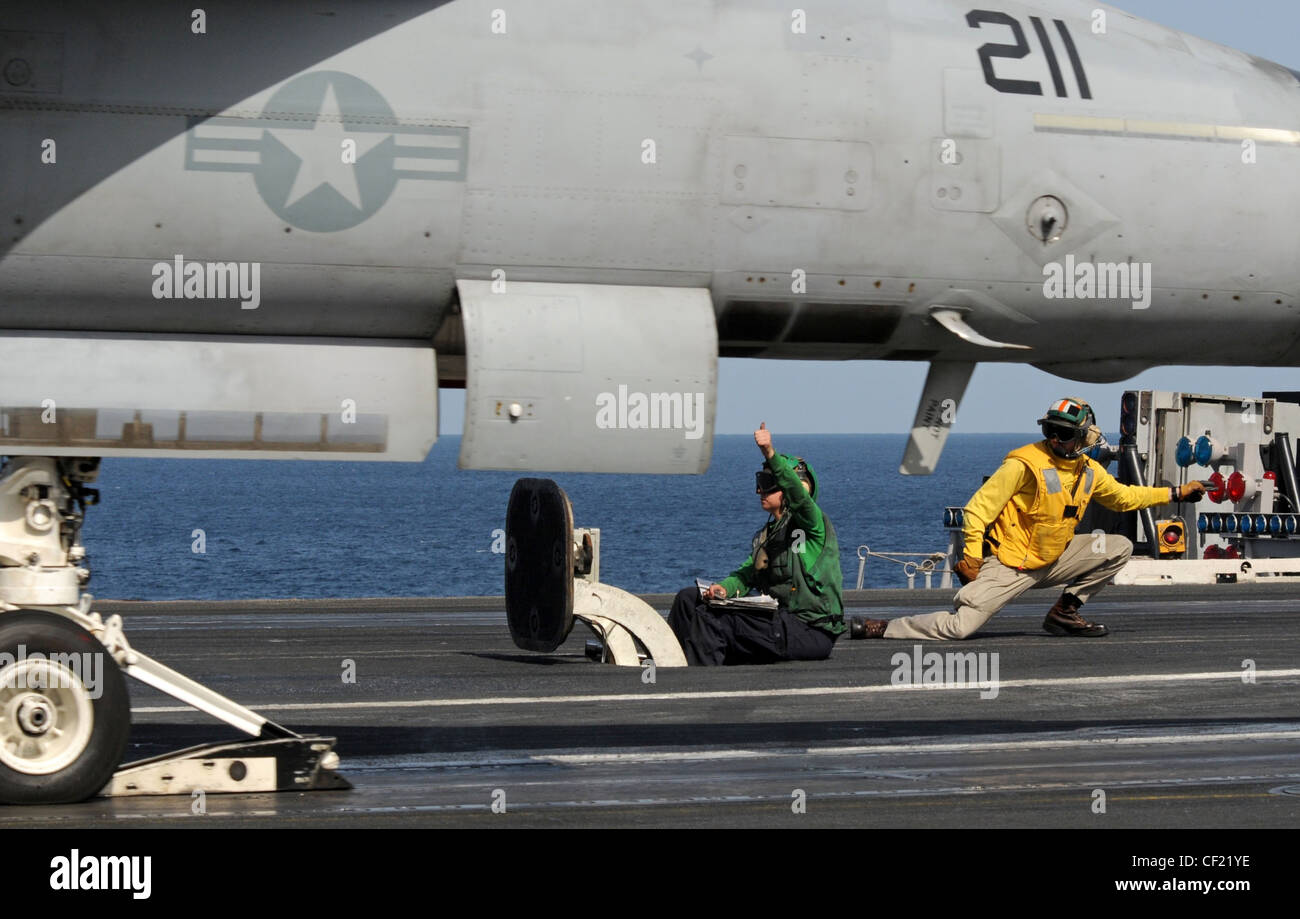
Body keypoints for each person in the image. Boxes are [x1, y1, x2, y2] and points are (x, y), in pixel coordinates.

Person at [850, 398, 1206, 641]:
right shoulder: (1023, 464)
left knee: (1117, 547)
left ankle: (1065, 613)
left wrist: (1175, 493)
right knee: (960, 628)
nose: (1054, 438)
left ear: (1083, 436)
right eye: (1050, 430)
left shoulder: (1089, 470)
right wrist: (972, 556)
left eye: (1064, 433)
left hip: (1054, 559)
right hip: (1011, 565)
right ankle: (882, 627)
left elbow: (1125, 497)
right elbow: (978, 510)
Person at [668, 423, 845, 664]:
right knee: (688, 600)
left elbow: (799, 498)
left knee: (712, 619)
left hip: (809, 631)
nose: (760, 490)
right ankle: (676, 665)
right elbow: (747, 574)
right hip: (780, 622)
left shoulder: (812, 525)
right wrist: (723, 589)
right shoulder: (772, 535)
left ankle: (698, 684)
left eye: (767, 483)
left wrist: (770, 453)